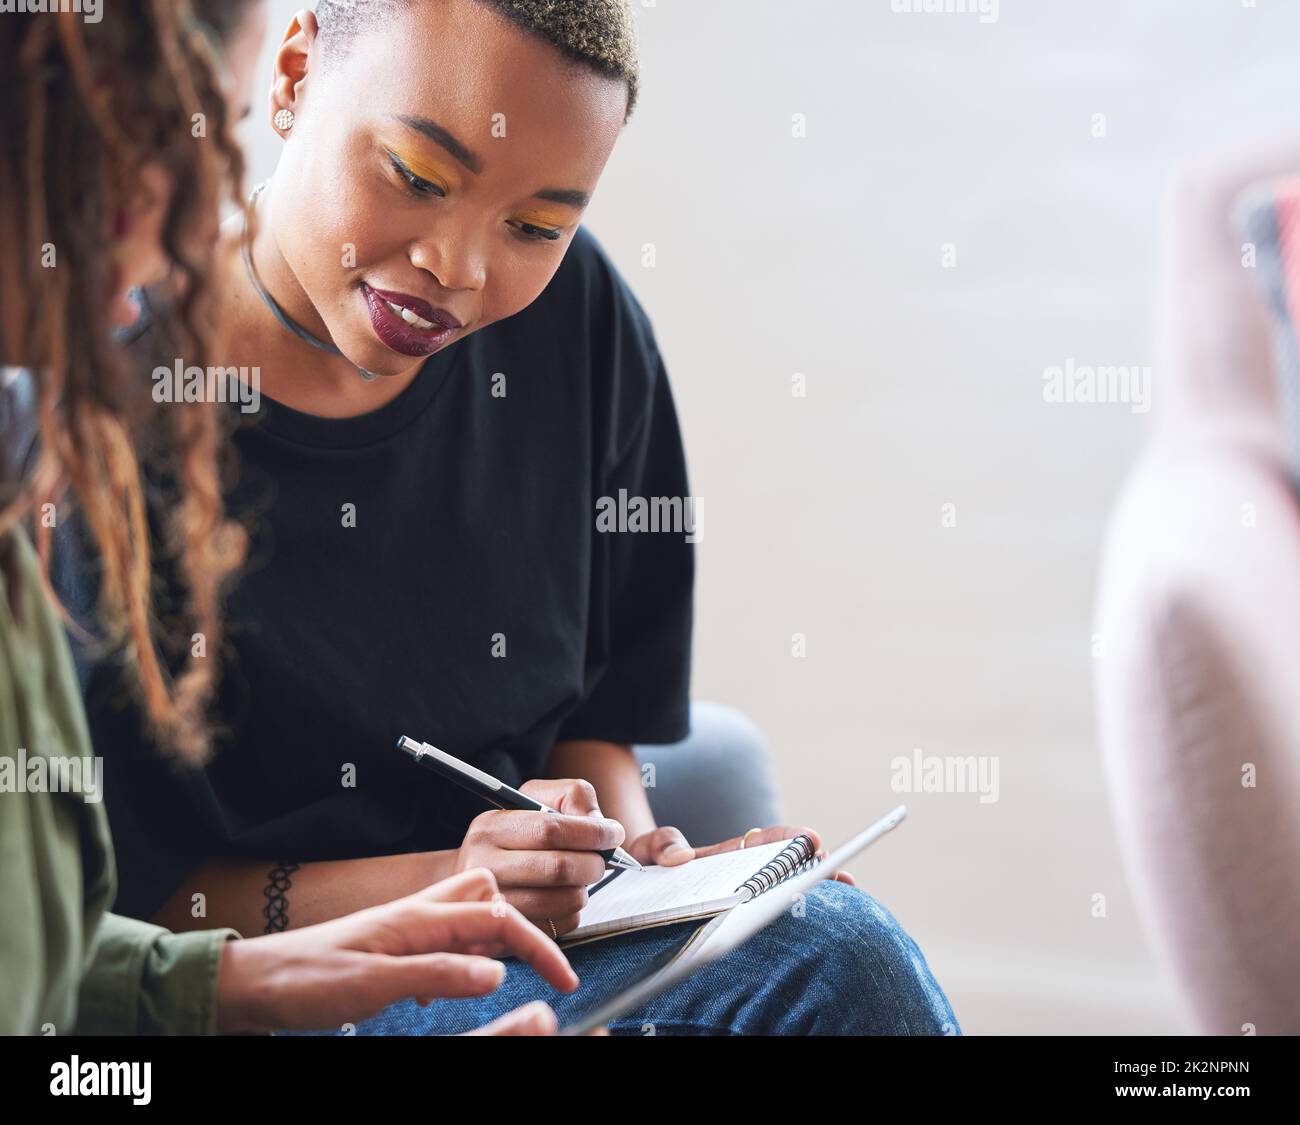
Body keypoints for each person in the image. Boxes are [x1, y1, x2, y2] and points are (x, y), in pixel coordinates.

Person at [60, 0, 961, 1034]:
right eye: (416, 175)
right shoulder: (104, 412)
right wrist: (450, 880)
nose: (459, 266)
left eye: (535, 225)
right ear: (296, 71)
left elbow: (593, 722)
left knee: (828, 953)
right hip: (273, 990)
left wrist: (634, 870)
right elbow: (119, 917)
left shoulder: (580, 328)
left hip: (529, 949)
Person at [0, 0, 573, 1036]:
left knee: (831, 952)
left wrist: (252, 980)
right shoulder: (74, 455)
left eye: (535, 226)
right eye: (198, 138)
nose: (209, 211)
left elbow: (43, 964)